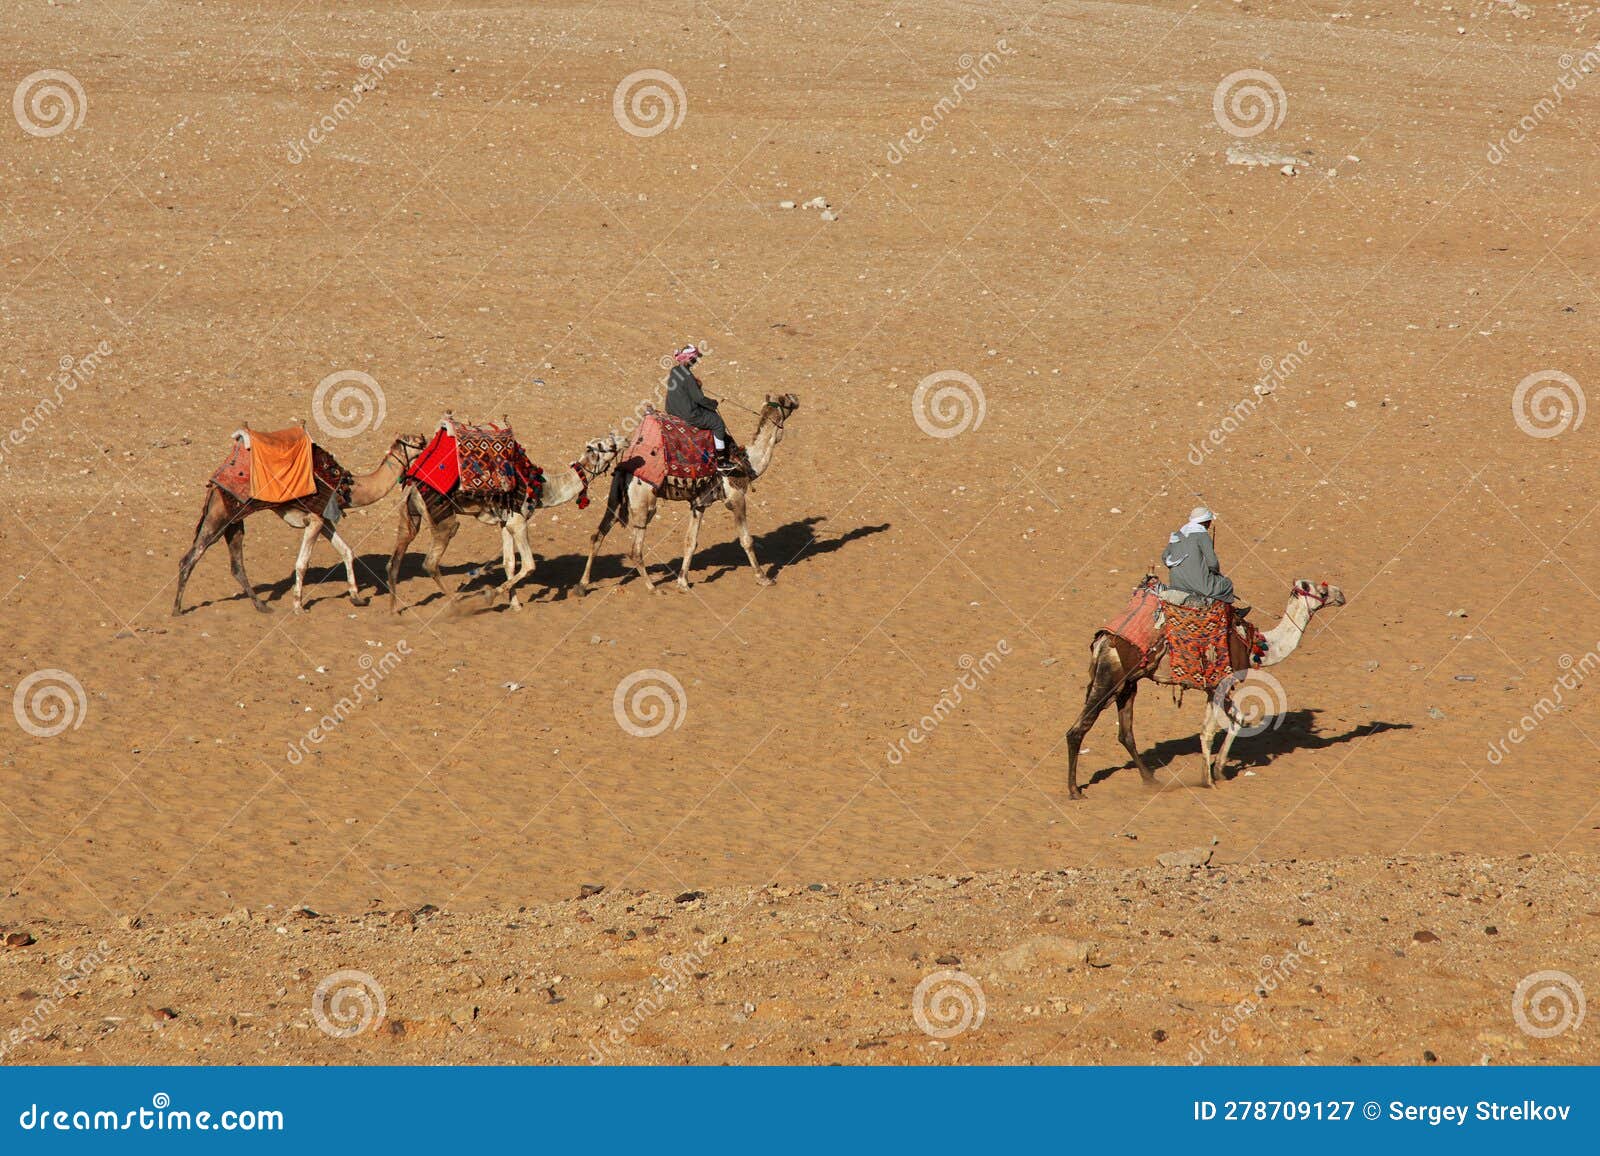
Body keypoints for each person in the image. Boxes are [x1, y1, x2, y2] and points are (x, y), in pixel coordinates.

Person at [664, 345, 746, 475]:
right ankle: (721, 461)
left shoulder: (675, 371)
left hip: (672, 409)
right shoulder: (688, 376)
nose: (695, 361)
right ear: (689, 359)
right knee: (717, 423)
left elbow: (684, 390)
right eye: (694, 358)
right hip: (687, 413)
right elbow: (699, 398)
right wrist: (712, 404)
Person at [1162, 506, 1250, 615]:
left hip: (1176, 583)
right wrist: (1213, 572)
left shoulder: (1178, 534)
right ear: (1206, 522)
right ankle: (1232, 613)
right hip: (1198, 584)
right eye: (1209, 522)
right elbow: (1212, 563)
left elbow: (1165, 557)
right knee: (1226, 584)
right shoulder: (1202, 534)